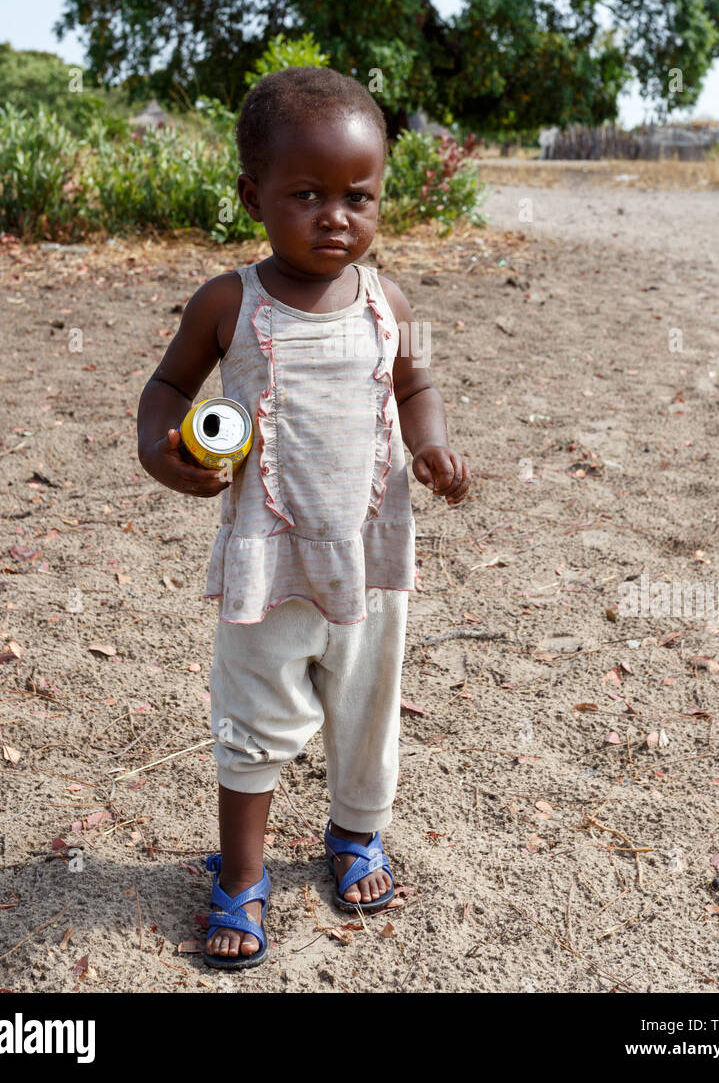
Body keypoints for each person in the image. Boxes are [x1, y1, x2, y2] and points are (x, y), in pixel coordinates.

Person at [137, 66, 470, 969]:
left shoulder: (385, 299)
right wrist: (162, 451)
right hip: (268, 555)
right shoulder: (228, 302)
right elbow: (167, 388)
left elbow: (415, 384)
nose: (337, 218)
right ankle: (242, 876)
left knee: (366, 710)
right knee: (252, 717)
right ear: (253, 195)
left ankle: (356, 834)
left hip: (370, 551)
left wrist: (430, 444)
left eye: (359, 197)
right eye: (307, 194)